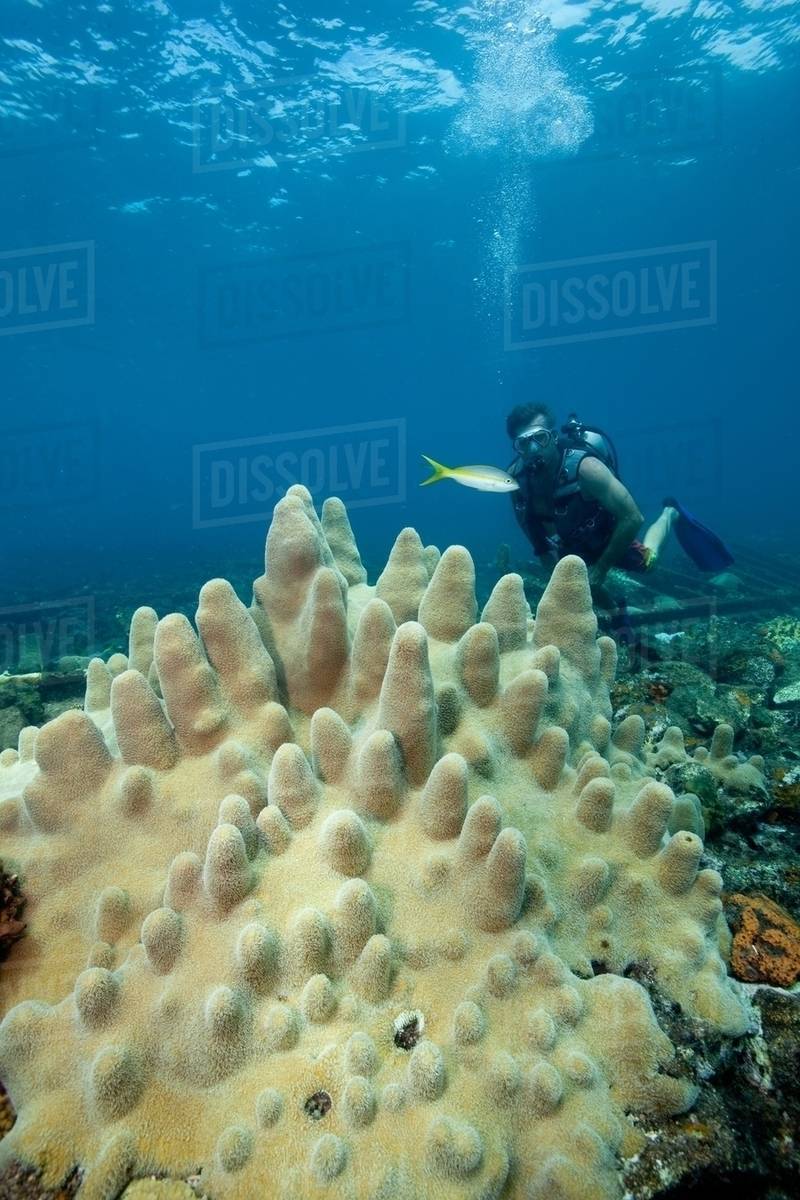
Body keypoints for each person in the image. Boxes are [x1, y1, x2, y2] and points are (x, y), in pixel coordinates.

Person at [506, 403, 678, 593]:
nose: (533, 449)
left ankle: (669, 514)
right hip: (569, 542)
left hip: (607, 534)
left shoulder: (587, 469)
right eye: (523, 443)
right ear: (517, 448)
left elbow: (633, 518)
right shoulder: (513, 480)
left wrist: (602, 569)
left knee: (649, 563)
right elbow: (528, 525)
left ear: (553, 437)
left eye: (540, 438)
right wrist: (549, 565)